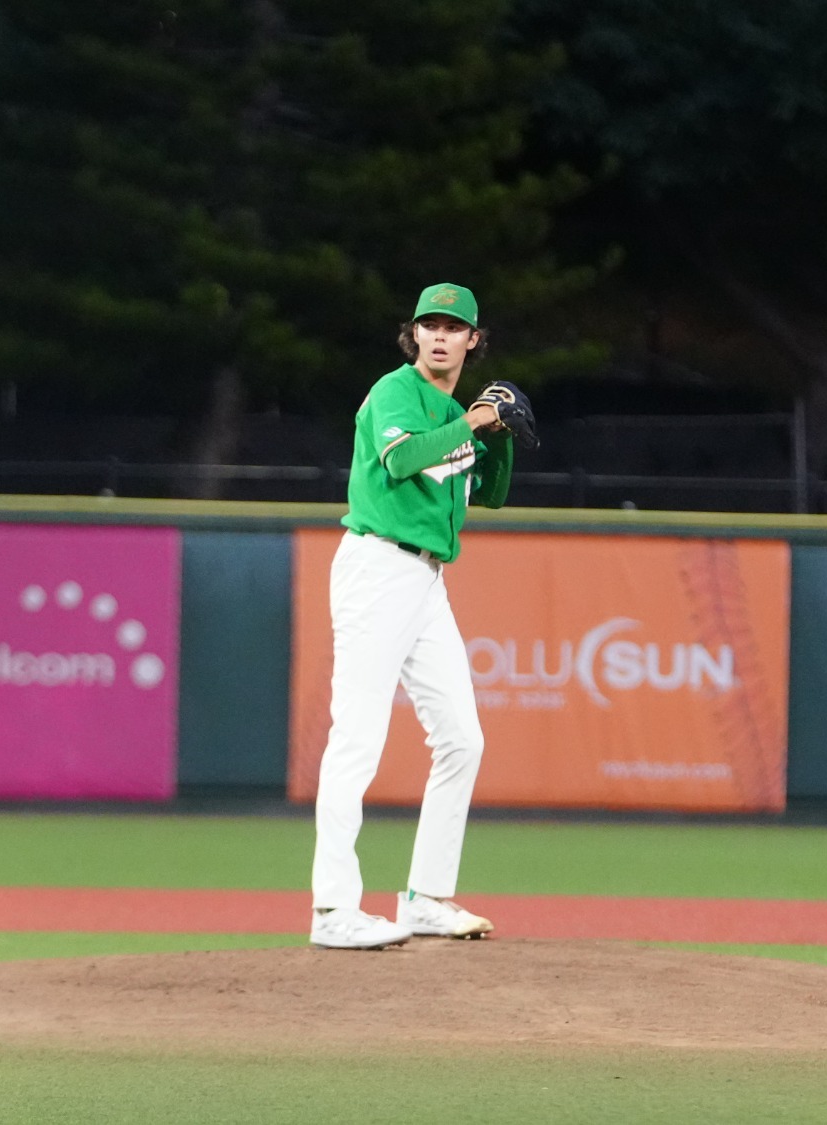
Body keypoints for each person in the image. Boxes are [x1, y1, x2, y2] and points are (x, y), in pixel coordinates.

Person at [309, 282, 516, 950]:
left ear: (472, 340)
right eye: (428, 323)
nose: (438, 335)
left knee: (462, 738)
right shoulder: (396, 392)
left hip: (427, 581)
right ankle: (333, 908)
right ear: (413, 334)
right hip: (377, 567)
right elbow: (402, 458)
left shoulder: (456, 411)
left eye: (452, 327)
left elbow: (492, 493)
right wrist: (478, 422)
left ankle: (426, 896)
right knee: (358, 737)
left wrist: (501, 436)